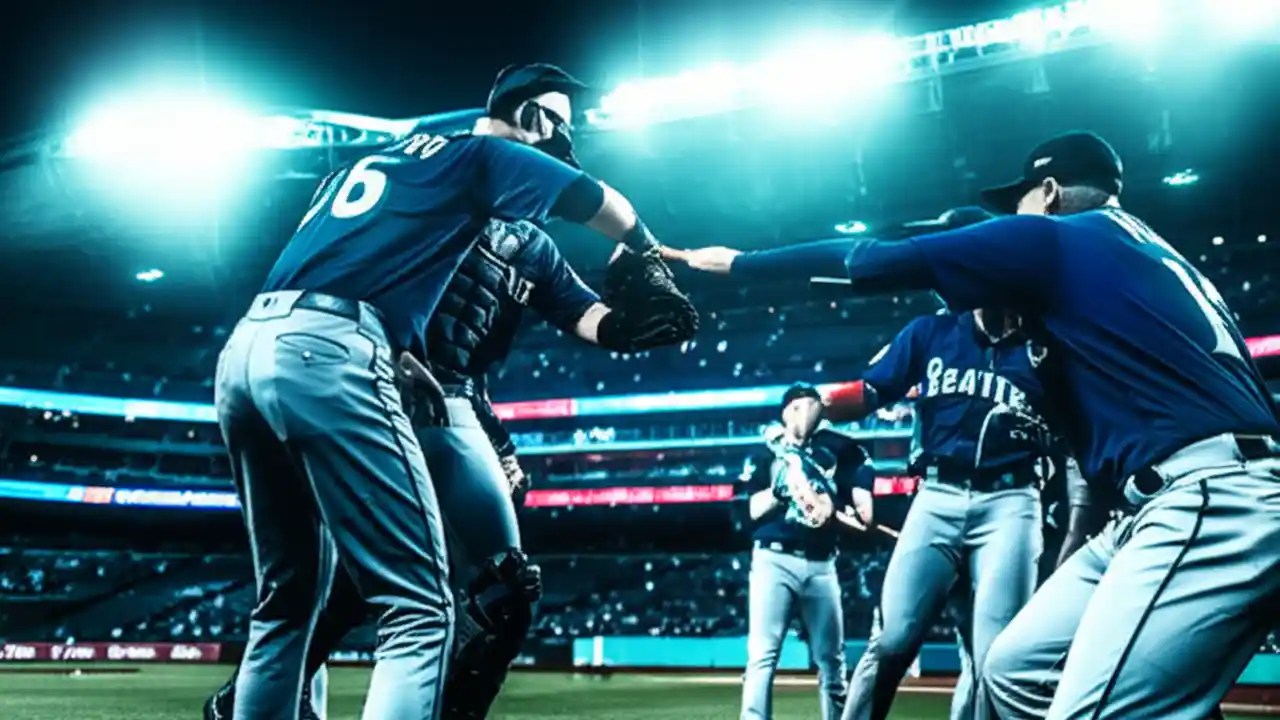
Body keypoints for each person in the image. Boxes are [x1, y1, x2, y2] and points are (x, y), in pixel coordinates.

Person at [216, 61, 686, 720]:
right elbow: (603, 204)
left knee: (289, 604)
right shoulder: (485, 157)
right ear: (528, 117)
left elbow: (582, 314)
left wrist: (629, 329)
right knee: (418, 606)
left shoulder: (390, 165)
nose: (562, 144)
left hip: (257, 348)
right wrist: (647, 252)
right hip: (348, 363)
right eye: (556, 127)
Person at [825, 131, 1278, 719]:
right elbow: (868, 390)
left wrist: (742, 265)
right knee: (1001, 663)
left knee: (1031, 678)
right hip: (1146, 500)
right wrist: (815, 408)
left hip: (1191, 493)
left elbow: (1079, 463)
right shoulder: (1136, 266)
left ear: (1049, 191)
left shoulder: (1057, 307)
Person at [822, 306, 1054, 720]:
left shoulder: (1047, 344)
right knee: (893, 639)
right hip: (936, 493)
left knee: (993, 656)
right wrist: (824, 402)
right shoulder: (932, 331)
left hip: (1012, 500)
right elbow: (873, 390)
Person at [739, 382, 875, 720]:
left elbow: (857, 503)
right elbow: (746, 511)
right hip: (774, 557)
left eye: (810, 404)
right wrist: (779, 491)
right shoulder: (763, 454)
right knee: (763, 655)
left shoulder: (837, 450)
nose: (804, 411)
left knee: (832, 659)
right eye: (796, 405)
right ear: (785, 412)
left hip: (822, 562)